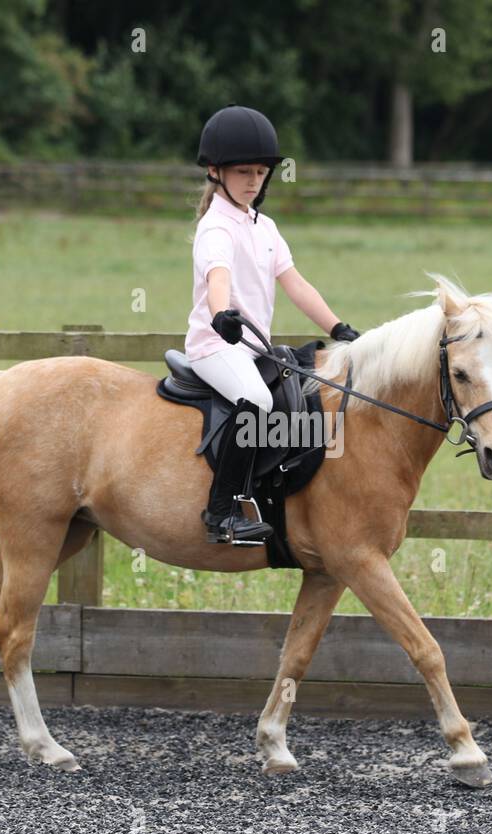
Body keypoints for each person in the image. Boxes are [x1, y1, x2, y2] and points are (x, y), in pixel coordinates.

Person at [186, 104, 359, 546]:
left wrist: (338, 327)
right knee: (256, 399)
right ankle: (221, 513)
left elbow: (296, 285)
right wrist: (222, 313)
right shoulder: (215, 228)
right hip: (215, 346)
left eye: (261, 172)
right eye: (243, 171)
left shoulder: (265, 227)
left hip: (253, 348)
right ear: (215, 171)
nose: (253, 181)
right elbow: (217, 276)